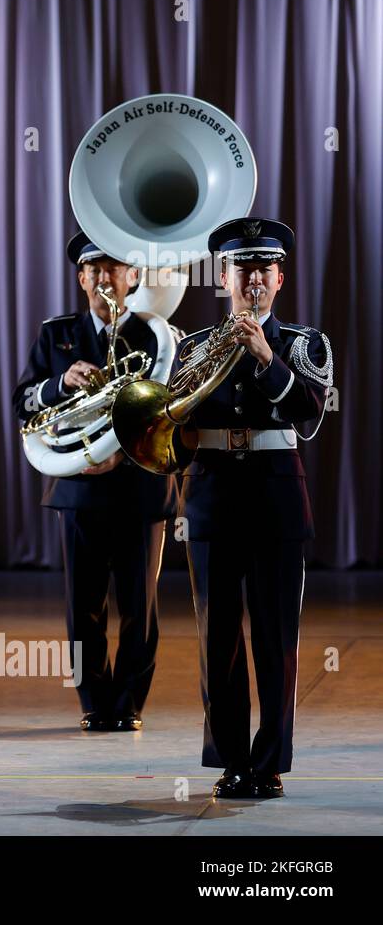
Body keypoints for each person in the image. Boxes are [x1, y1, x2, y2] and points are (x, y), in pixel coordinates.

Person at [176, 218, 332, 799]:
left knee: (274, 635)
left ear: (280, 277)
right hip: (212, 494)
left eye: (264, 269)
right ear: (224, 277)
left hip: (275, 495)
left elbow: (311, 413)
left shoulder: (303, 342)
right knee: (217, 636)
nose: (254, 280)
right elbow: (174, 421)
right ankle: (230, 760)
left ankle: (268, 764)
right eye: (243, 269)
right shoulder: (192, 347)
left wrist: (266, 358)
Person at [12, 232, 178, 731]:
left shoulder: (158, 336)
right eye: (94, 269)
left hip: (139, 487)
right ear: (81, 278)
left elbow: (170, 414)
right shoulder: (56, 334)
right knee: (82, 606)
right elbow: (22, 403)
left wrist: (120, 458)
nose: (104, 277)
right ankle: (92, 701)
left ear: (134, 278)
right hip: (78, 486)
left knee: (138, 606)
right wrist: (59, 384)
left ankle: (127, 704)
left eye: (114, 267)